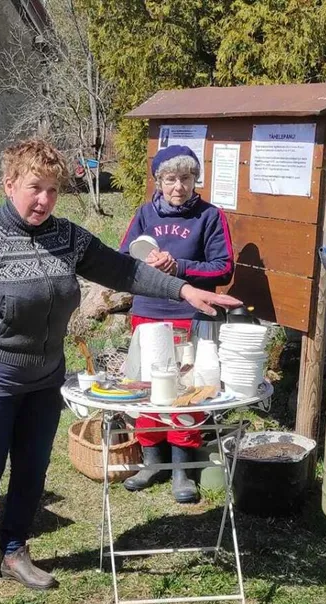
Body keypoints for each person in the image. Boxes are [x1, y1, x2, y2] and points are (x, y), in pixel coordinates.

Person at [0, 138, 242, 604]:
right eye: (34, 188)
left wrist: (185, 292)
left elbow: (124, 270)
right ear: (9, 184)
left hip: (44, 380)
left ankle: (13, 551)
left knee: (33, 470)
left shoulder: (67, 237)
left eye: (53, 190)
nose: (44, 200)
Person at [118, 145, 233, 503]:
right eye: (170, 179)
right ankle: (152, 461)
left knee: (187, 390)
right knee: (147, 387)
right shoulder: (144, 214)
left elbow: (223, 267)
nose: (178, 187)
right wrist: (145, 263)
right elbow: (122, 259)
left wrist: (179, 268)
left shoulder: (210, 217)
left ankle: (182, 470)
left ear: (196, 180)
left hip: (189, 315)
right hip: (148, 311)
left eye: (186, 178)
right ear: (159, 181)